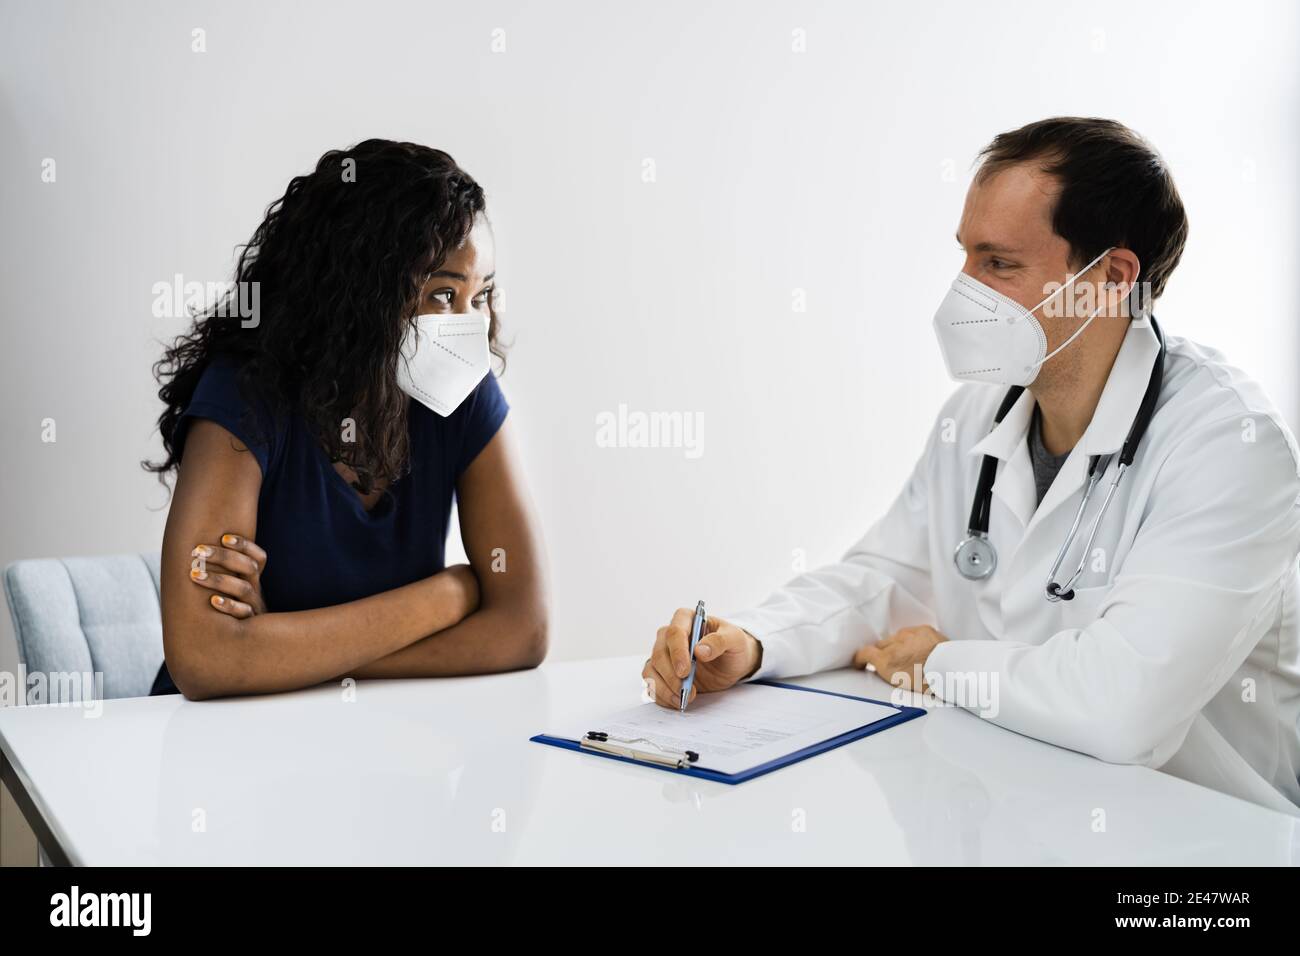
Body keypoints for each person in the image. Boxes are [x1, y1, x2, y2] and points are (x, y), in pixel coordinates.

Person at [643, 118, 1300, 814]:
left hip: (1204, 842)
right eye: (965, 258)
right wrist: (752, 641)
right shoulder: (976, 415)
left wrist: (939, 662)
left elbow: (1123, 707)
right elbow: (887, 580)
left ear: (1110, 278)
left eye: (999, 264)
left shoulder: (1229, 445)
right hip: (1027, 808)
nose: (963, 294)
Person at [145, 140, 548, 699]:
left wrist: (282, 652)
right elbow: (205, 658)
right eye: (442, 295)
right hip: (221, 747)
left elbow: (522, 630)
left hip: (374, 744)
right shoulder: (246, 392)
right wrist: (446, 598)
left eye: (480, 297)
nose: (468, 326)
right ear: (360, 292)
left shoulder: (463, 392)